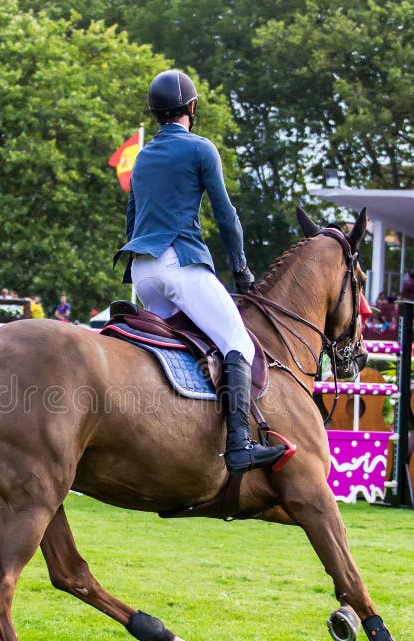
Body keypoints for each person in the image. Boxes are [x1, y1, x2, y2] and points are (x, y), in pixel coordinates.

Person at [112, 69, 286, 474]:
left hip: (142, 272)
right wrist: (241, 268)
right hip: (180, 264)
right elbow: (227, 217)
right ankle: (240, 444)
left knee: (190, 344)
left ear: (156, 112)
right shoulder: (200, 149)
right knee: (236, 343)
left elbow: (132, 219)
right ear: (191, 108)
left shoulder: (142, 158)